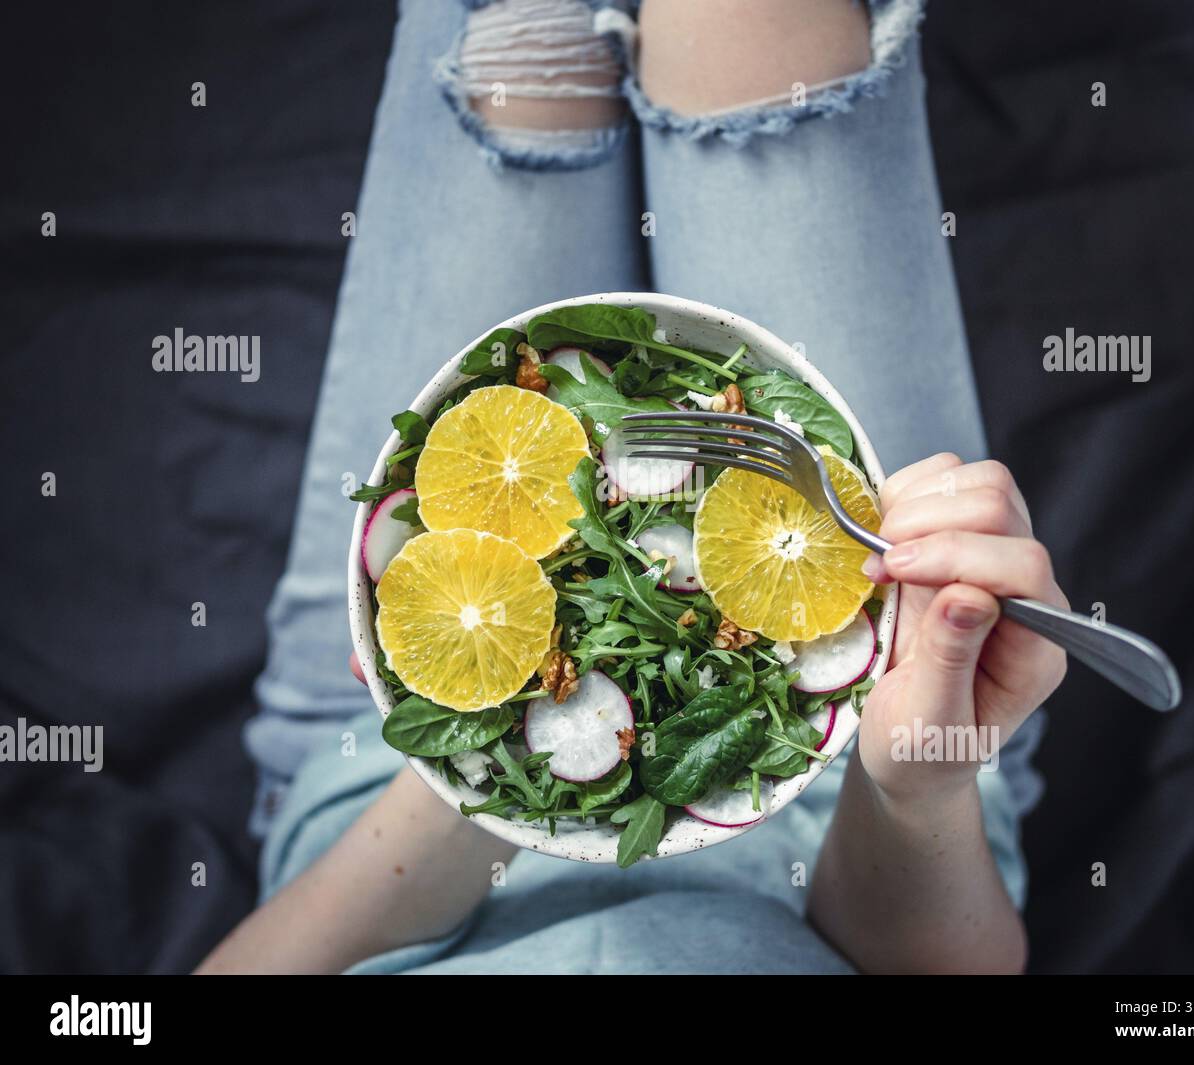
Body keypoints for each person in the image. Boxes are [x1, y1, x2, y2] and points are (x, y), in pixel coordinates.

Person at [197, 0, 1065, 975]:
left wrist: (474, 759)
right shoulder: (891, 756)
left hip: (380, 787)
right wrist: (916, 789)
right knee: (751, 26)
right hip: (854, 746)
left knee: (523, 36)